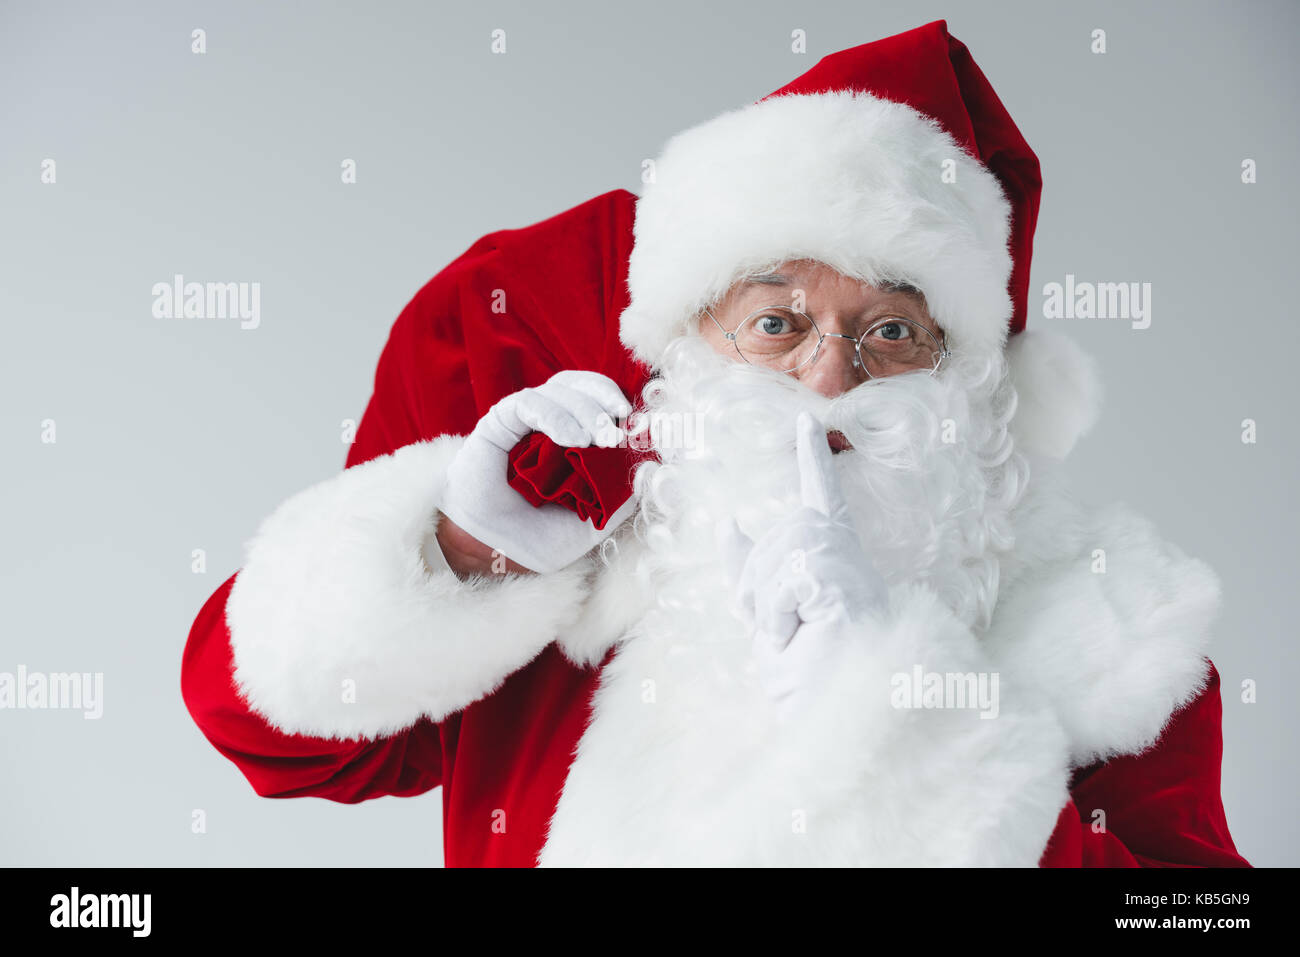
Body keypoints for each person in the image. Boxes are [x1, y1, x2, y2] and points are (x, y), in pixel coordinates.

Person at [181, 20, 1249, 867]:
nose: (828, 381)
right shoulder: (573, 595)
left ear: (967, 381)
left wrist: (896, 722)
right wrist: (462, 559)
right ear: (692, 351)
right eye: (775, 325)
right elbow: (273, 740)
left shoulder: (1104, 632)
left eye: (890, 332)